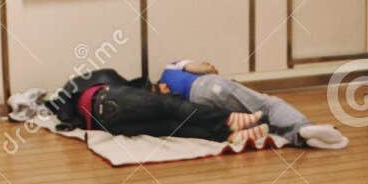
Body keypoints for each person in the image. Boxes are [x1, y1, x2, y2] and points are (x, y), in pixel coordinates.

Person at [48, 67, 270, 146]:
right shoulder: (110, 81)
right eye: (164, 87)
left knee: (174, 128)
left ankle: (227, 136)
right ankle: (227, 119)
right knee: (172, 107)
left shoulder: (124, 89)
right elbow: (168, 102)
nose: (167, 88)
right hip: (105, 101)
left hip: (107, 124)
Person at [155, 59, 348, 150]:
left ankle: (300, 136)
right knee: (269, 104)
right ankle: (306, 127)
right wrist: (209, 69)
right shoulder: (171, 66)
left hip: (201, 106)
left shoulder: (166, 90)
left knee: (258, 118)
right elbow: (203, 67)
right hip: (209, 86)